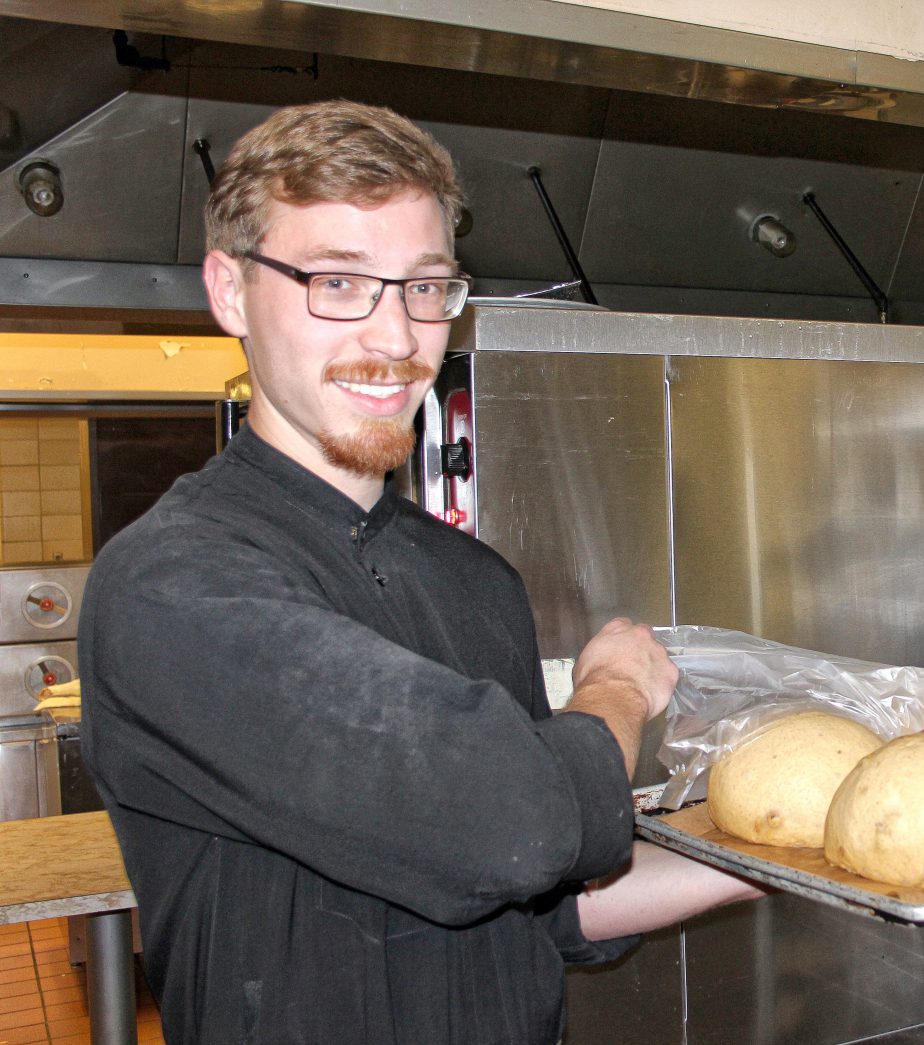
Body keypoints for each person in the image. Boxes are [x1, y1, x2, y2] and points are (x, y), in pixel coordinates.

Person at [80, 100, 759, 1045]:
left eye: (426, 287)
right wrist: (614, 688)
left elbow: (541, 898)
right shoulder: (175, 585)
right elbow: (510, 822)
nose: (396, 337)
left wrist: (792, 853)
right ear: (230, 292)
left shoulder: (476, 581)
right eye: (338, 282)